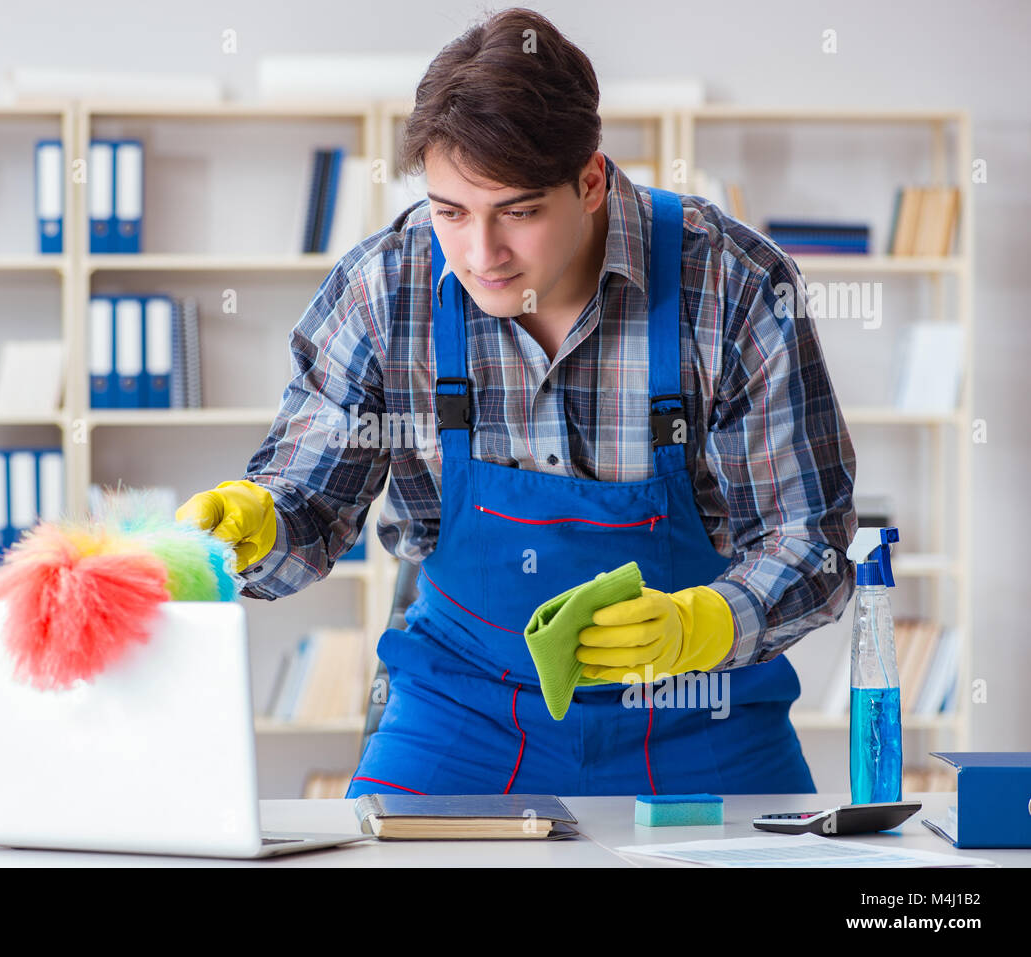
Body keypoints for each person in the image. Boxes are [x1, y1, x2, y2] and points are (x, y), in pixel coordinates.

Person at [178, 7, 856, 798]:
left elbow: (813, 542)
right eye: (450, 212)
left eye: (519, 211)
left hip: (701, 712)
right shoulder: (385, 289)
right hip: (461, 709)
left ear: (592, 180)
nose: (480, 254)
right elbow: (307, 507)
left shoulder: (733, 288)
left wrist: (702, 623)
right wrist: (260, 523)